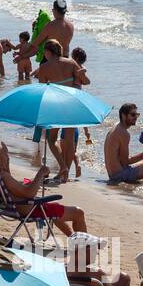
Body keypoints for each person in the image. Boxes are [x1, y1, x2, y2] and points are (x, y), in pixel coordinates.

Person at [0, 140, 88, 237]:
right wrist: (40, 174)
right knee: (78, 213)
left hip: (15, 207)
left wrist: (32, 181)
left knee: (54, 208)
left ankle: (72, 237)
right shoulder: (4, 176)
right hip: (29, 209)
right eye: (6, 153)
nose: (8, 157)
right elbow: (29, 193)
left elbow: (18, 191)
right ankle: (84, 247)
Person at [34, 39, 88, 182]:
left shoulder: (44, 68)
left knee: (52, 140)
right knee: (69, 141)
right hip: (71, 104)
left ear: (47, 52)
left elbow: (43, 91)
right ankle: (66, 174)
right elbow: (84, 80)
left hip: (56, 104)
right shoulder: (71, 63)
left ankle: (62, 166)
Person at [104, 102, 143, 184]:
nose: (136, 117)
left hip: (113, 174)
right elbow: (125, 162)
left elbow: (121, 160)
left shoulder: (116, 127)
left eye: (137, 114)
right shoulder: (123, 133)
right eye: (133, 115)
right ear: (123, 115)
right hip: (119, 176)